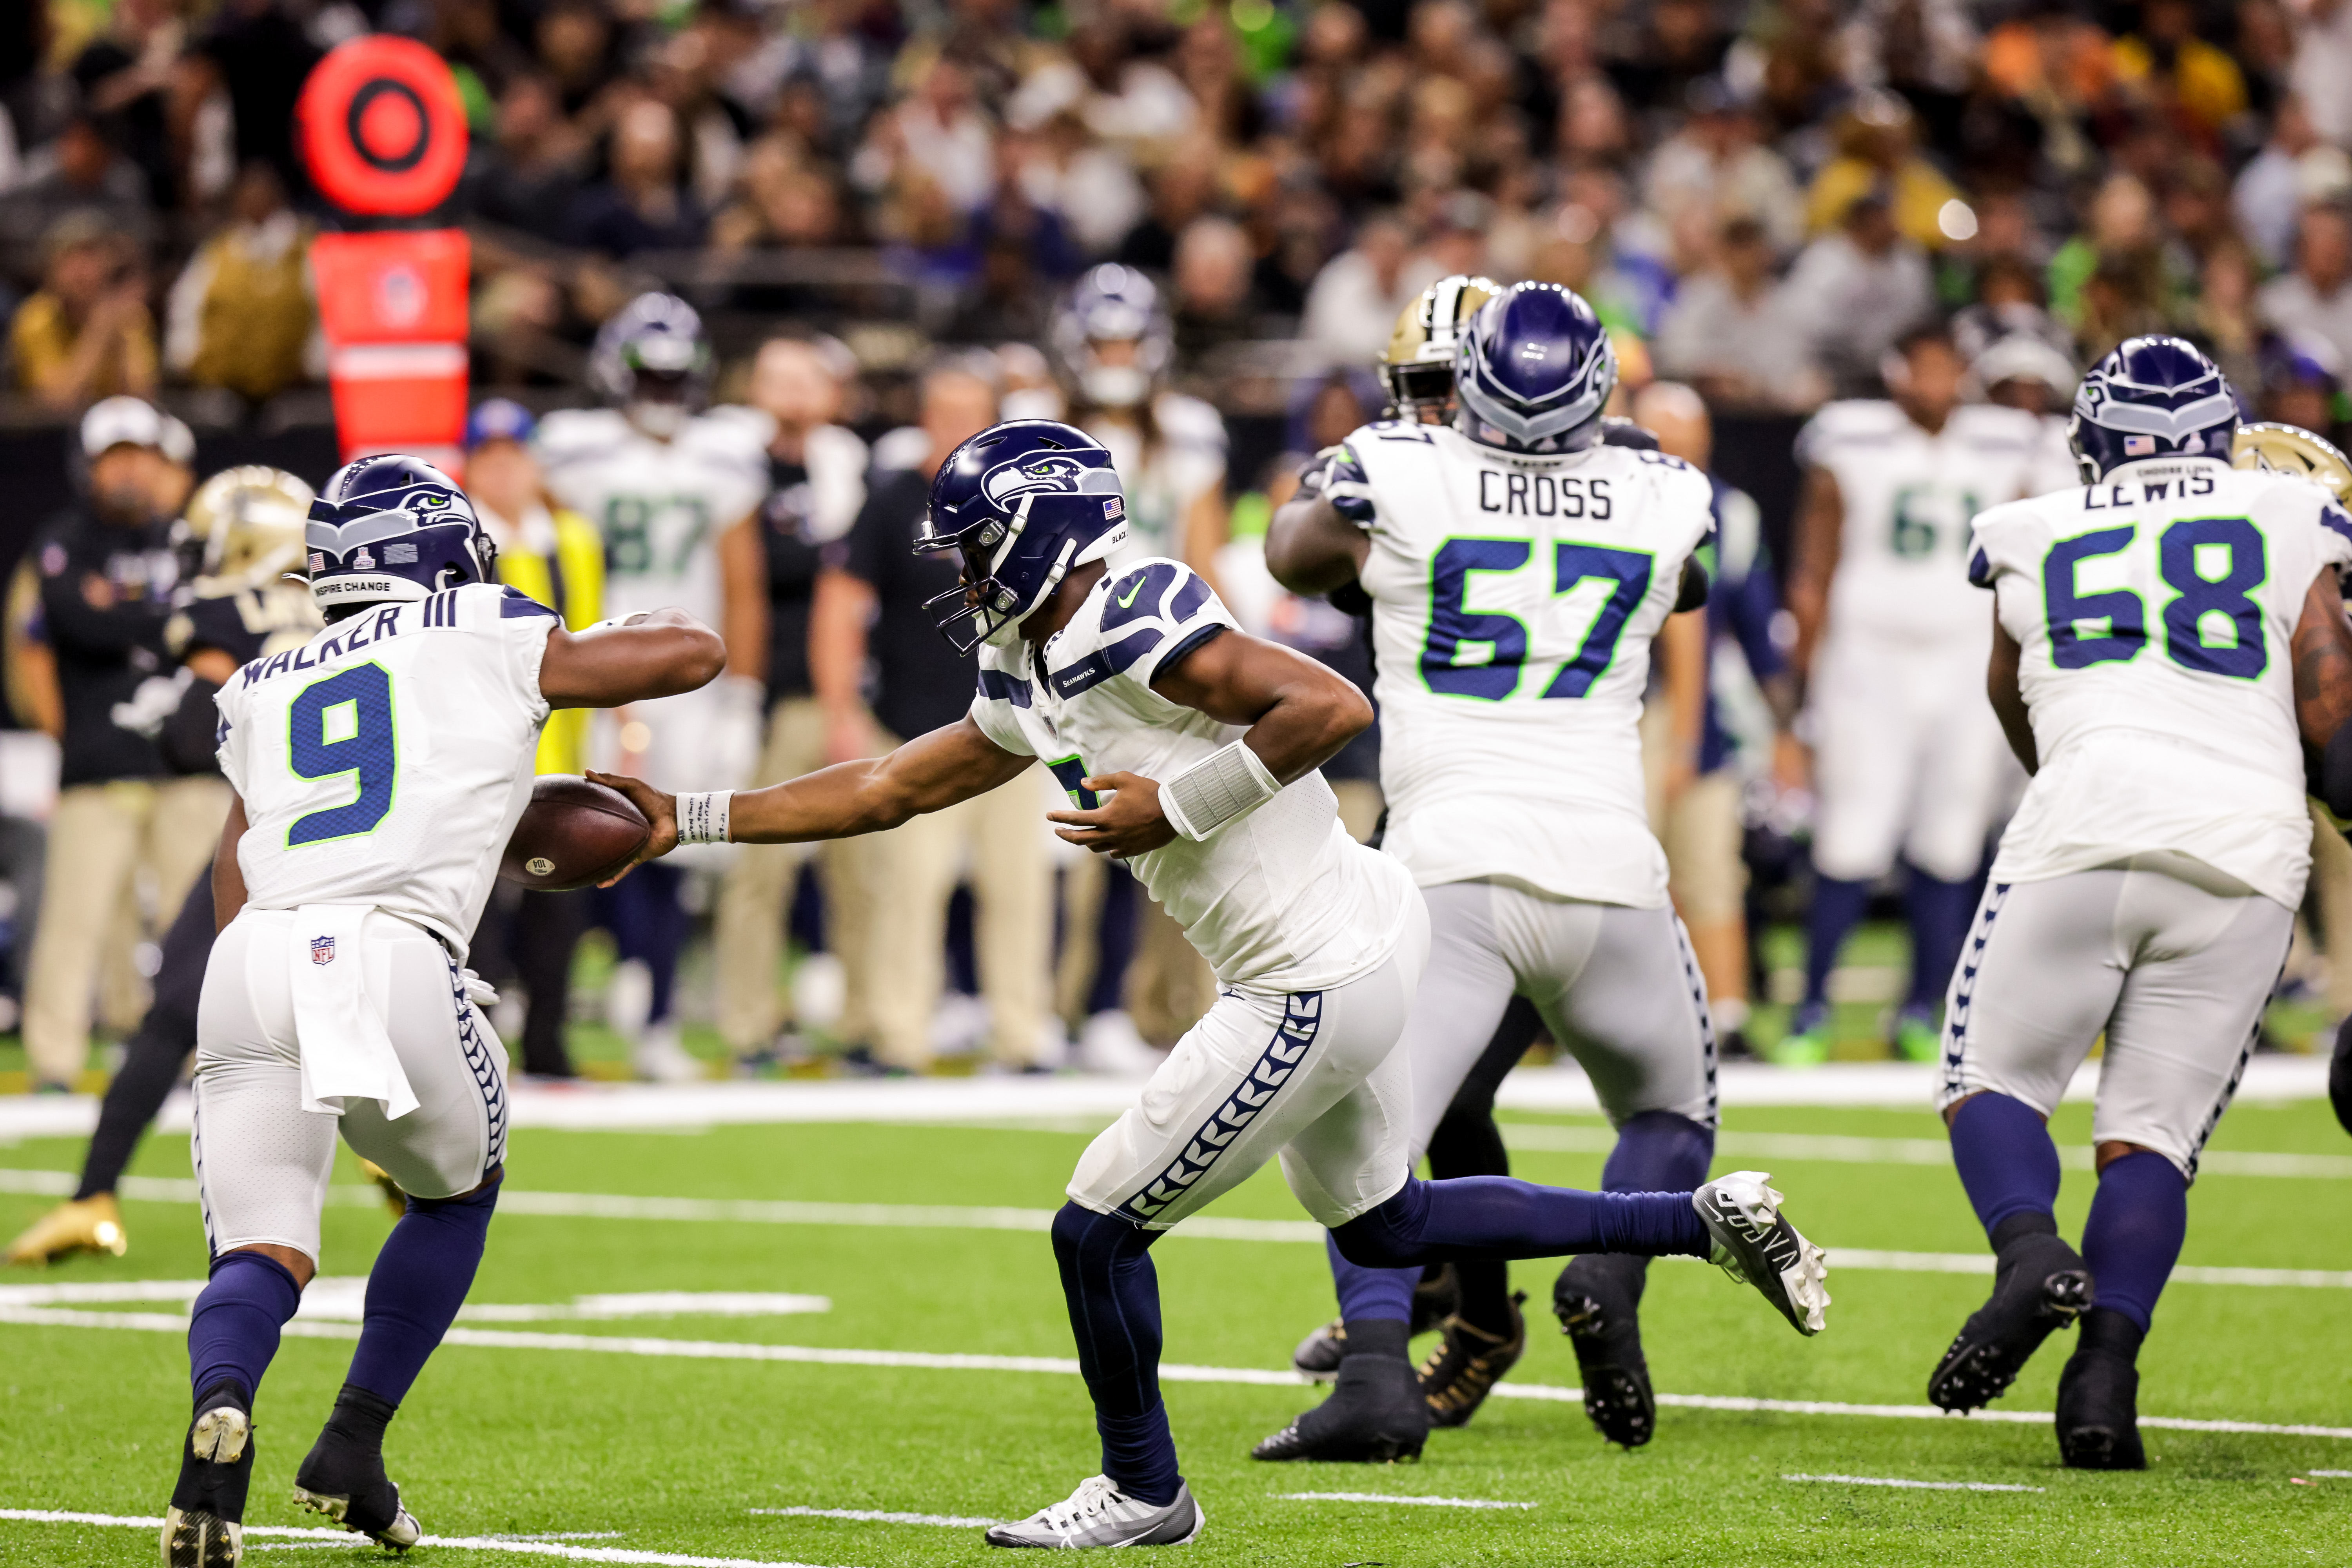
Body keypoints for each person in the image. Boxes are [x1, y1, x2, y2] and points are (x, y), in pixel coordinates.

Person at [594, 410, 1826, 1548]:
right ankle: (1702, 1221)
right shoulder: (1033, 657)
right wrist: (683, 819)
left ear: (1038, 532)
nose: (962, 575)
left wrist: (1178, 804)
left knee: (1095, 1229)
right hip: (1350, 931)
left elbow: (1326, 706)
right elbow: (888, 787)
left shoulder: (1132, 612)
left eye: (974, 548)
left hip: (1309, 973)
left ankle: (1143, 1490)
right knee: (1390, 1224)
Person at [162, 455, 725, 1568]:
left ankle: (219, 1416)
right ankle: (352, 1443)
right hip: (389, 950)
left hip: (253, 958)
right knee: (458, 1195)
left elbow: (238, 858)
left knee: (261, 1247)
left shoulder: (264, 679)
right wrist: (619, 625)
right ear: (441, 551)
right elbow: (691, 655)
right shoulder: (474, 620)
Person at [1256, 283, 1726, 1460]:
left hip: (1454, 862)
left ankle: (1377, 1367)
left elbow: (1292, 554)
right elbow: (1693, 580)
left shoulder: (1394, 473)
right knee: (1669, 1113)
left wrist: (1358, 479)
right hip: (1610, 869)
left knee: (1366, 1131)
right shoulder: (1662, 487)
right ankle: (1592, 1282)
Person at [1931, 339, 2352, 1471]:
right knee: (2153, 1138)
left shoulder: (2027, 527)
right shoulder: (2290, 509)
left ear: (2091, 446)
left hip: (2089, 808)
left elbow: (2010, 695)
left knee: (1989, 1083)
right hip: (2248, 843)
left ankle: (2030, 1253)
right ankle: (2104, 1380)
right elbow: (2333, 713)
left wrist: (2088, 771)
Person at [6, 466, 320, 1266]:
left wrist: (179, 708)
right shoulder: (345, 610)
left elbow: (188, 737)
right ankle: (414, 1182)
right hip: (366, 855)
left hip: (271, 850)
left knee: (174, 1013)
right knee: (349, 1019)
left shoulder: (217, 613)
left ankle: (92, 1197)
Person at [1781, 324, 2043, 1065]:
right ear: (1896, 373)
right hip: (1868, 661)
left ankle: (1926, 1007)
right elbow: (1815, 564)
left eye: (1946, 368)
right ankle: (1811, 1009)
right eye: (1922, 367)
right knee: (1852, 835)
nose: (1934, 383)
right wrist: (1803, 683)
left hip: (1965, 660)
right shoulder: (1849, 438)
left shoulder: (2007, 443)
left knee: (1951, 837)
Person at [536, 294, 768, 1080]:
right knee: (572, 829)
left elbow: (742, 584)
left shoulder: (723, 454)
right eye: (651, 377)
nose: (664, 393)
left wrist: (744, 695)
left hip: (690, 682)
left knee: (676, 837)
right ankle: (579, 989)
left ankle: (659, 1011)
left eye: (675, 378)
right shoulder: (576, 450)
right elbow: (554, 562)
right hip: (593, 672)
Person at [810, 358, 1056, 1072]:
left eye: (971, 415)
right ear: (923, 419)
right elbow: (841, 602)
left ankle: (1023, 1034)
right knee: (909, 890)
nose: (956, 429)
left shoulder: (1026, 504)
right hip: (916, 726)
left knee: (1020, 889)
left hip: (1015, 727)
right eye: (944, 414)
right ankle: (900, 1034)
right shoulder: (893, 497)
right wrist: (840, 709)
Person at [18, 398, 221, 1092]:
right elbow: (78, 623)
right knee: (73, 922)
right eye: (116, 458)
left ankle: (208, 1055)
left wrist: (122, 609)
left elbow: (209, 623)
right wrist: (158, 619)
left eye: (140, 456)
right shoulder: (62, 541)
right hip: (98, 765)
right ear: (91, 466)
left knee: (198, 920)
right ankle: (54, 1061)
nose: (130, 471)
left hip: (185, 763)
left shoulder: (190, 540)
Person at [713, 338, 871, 1066]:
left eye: (806, 378)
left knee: (861, 870)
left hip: (847, 694)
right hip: (772, 693)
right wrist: (737, 696)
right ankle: (748, 1024)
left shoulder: (851, 466)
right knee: (759, 871)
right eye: (777, 377)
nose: (792, 392)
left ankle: (866, 1023)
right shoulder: (731, 465)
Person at [1635, 381, 1793, 1065]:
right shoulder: (1612, 501)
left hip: (1700, 714)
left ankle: (1727, 1018)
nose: (1679, 460)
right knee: (1622, 874)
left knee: (1712, 870)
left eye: (1689, 446)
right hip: (1618, 710)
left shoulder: (1730, 512)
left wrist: (1782, 730)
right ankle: (1615, 1026)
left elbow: (1750, 631)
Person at [462, 400, 606, 1079]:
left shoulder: (573, 538)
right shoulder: (462, 546)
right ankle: (479, 1048)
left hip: (562, 757)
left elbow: (598, 638)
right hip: (481, 764)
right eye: (489, 459)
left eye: (514, 457)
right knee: (477, 917)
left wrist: (617, 727)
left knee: (559, 909)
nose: (504, 472)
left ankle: (549, 1045)